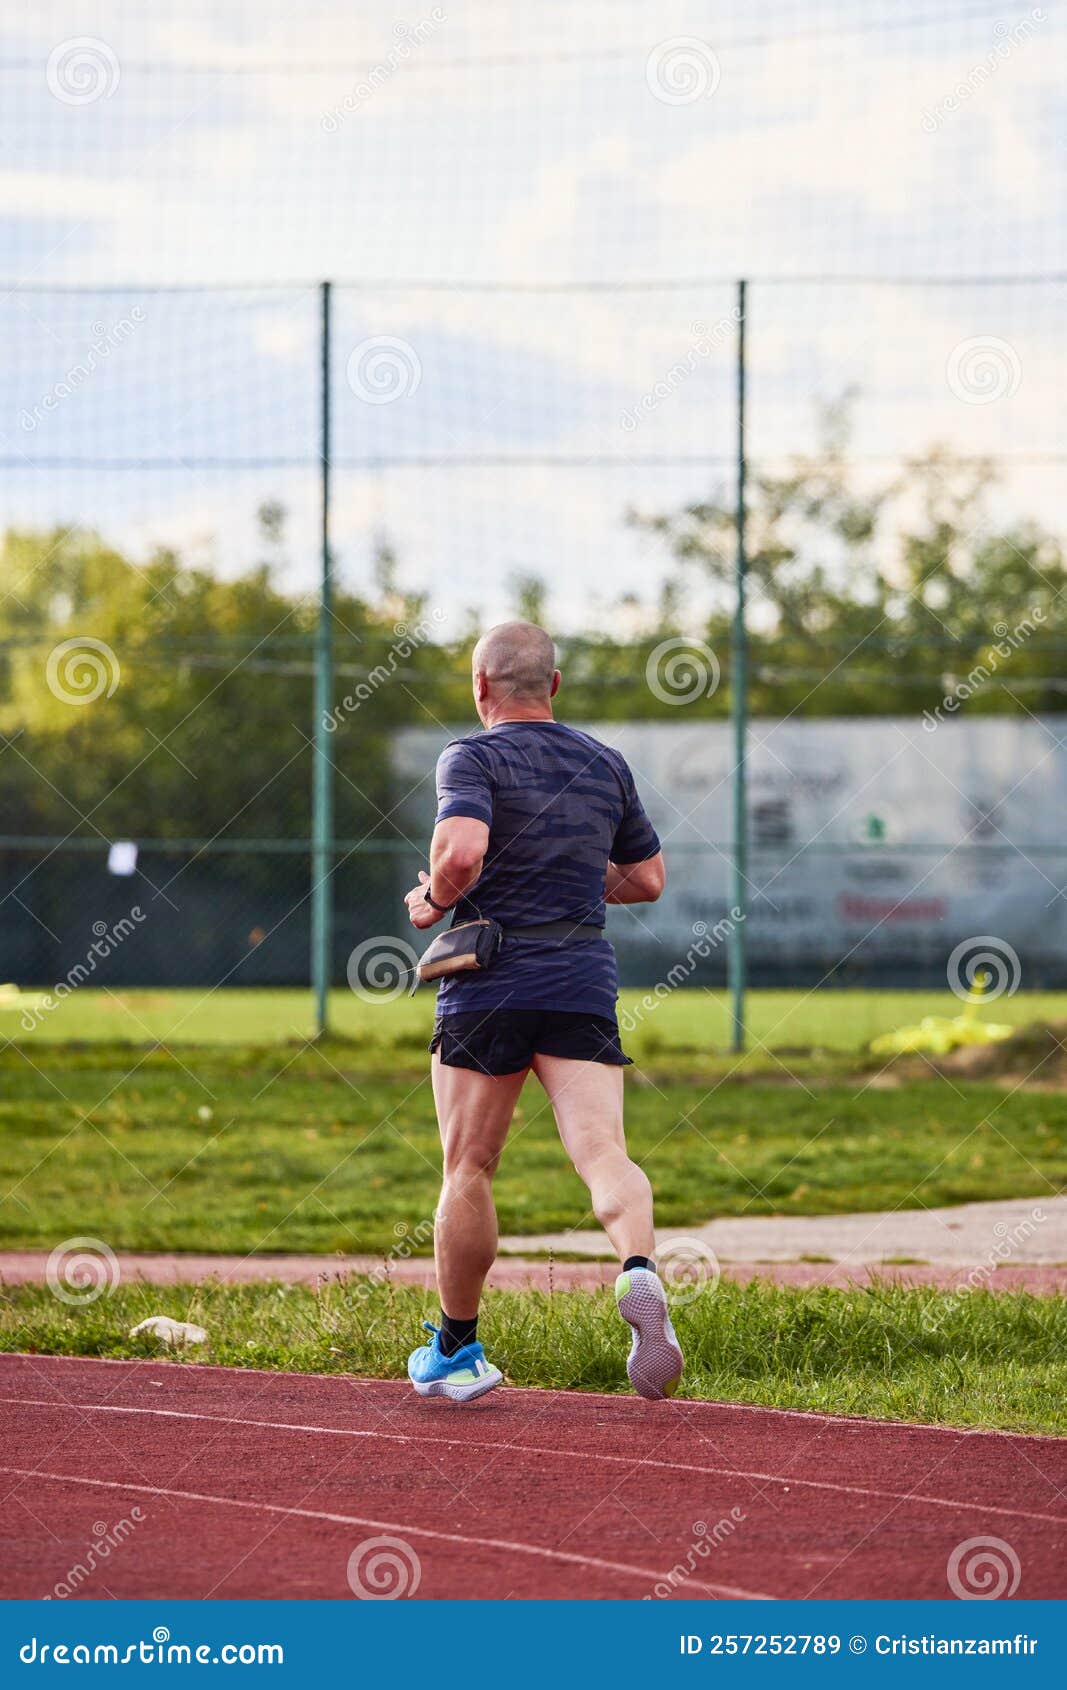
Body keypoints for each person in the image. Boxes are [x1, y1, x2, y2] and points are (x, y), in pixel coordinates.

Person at [403, 621, 683, 1403]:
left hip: (489, 981)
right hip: (579, 976)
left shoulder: (471, 755)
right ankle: (636, 1268)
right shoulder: (604, 762)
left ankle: (457, 1351)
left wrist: (432, 898)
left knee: (469, 1167)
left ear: (480, 687)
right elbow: (646, 878)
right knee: (603, 1154)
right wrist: (566, 874)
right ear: (553, 686)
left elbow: (459, 854)